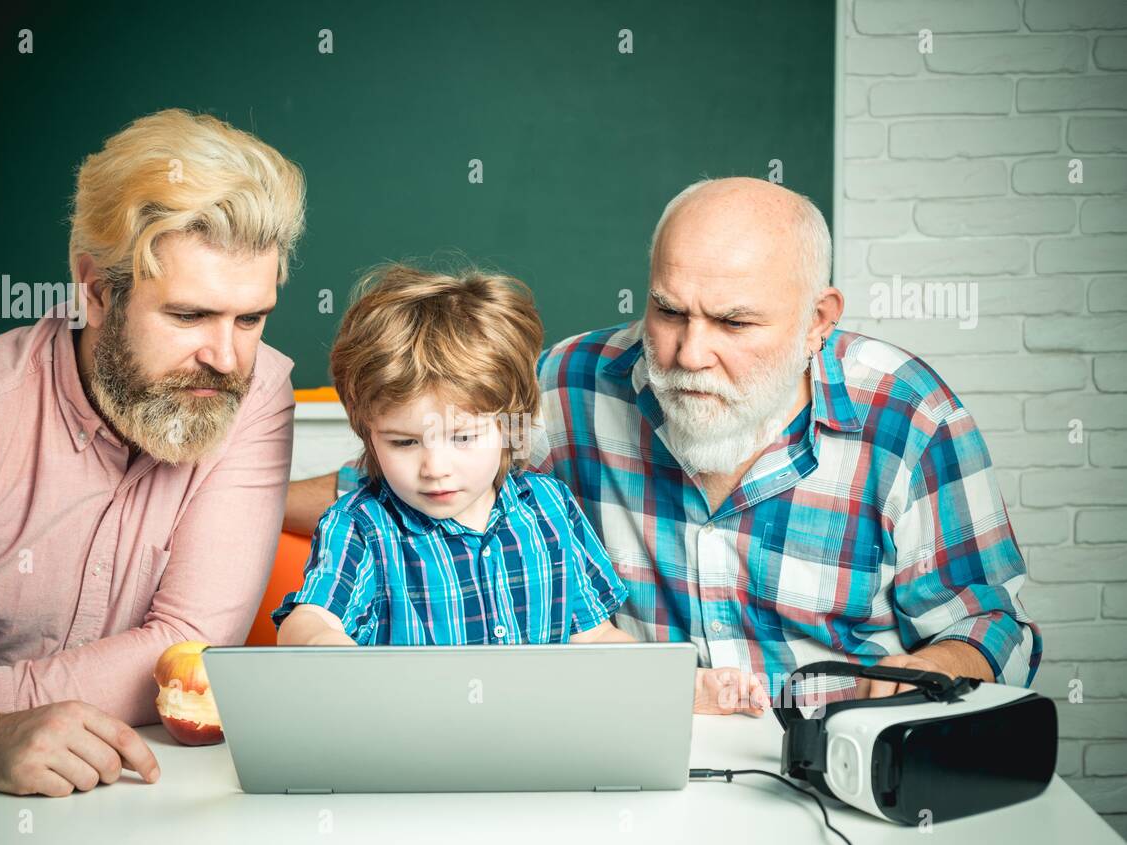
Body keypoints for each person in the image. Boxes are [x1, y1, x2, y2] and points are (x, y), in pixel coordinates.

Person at [286, 178, 1041, 706]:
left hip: (832, 758)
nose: (687, 352)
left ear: (819, 320)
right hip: (649, 767)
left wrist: (925, 672)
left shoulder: (909, 417)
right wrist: (229, 507)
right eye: (669, 310)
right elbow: (412, 482)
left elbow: (990, 625)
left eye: (734, 323)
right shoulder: (571, 386)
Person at [0, 108, 306, 795]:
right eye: (187, 315)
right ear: (96, 289)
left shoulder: (257, 393)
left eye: (250, 318)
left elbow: (189, 650)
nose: (227, 357)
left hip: (146, 800)